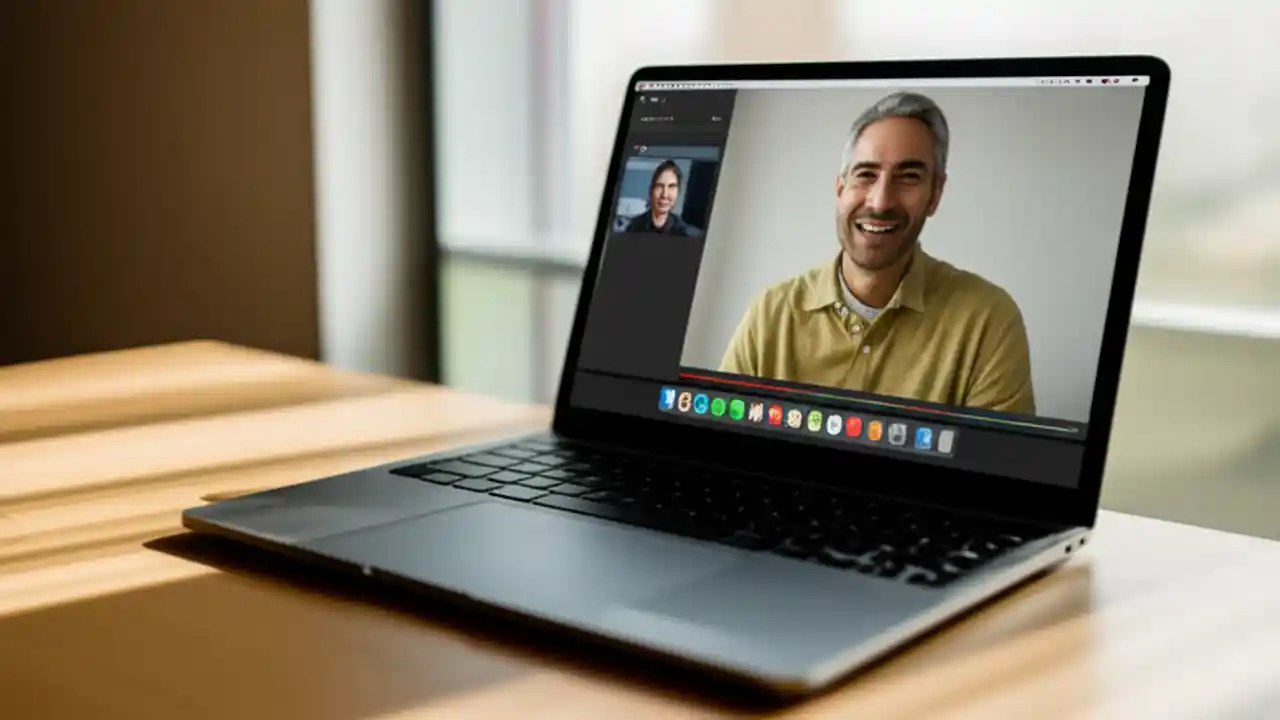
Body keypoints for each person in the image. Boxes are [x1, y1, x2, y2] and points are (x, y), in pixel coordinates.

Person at [719, 92, 1035, 414]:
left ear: (935, 195)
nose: (880, 201)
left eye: (909, 177)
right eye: (866, 174)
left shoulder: (988, 322)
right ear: (840, 188)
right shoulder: (771, 314)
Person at [624, 160, 701, 236]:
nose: (665, 194)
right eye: (660, 186)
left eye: (671, 186)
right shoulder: (633, 228)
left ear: (678, 191)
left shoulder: (683, 233)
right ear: (651, 191)